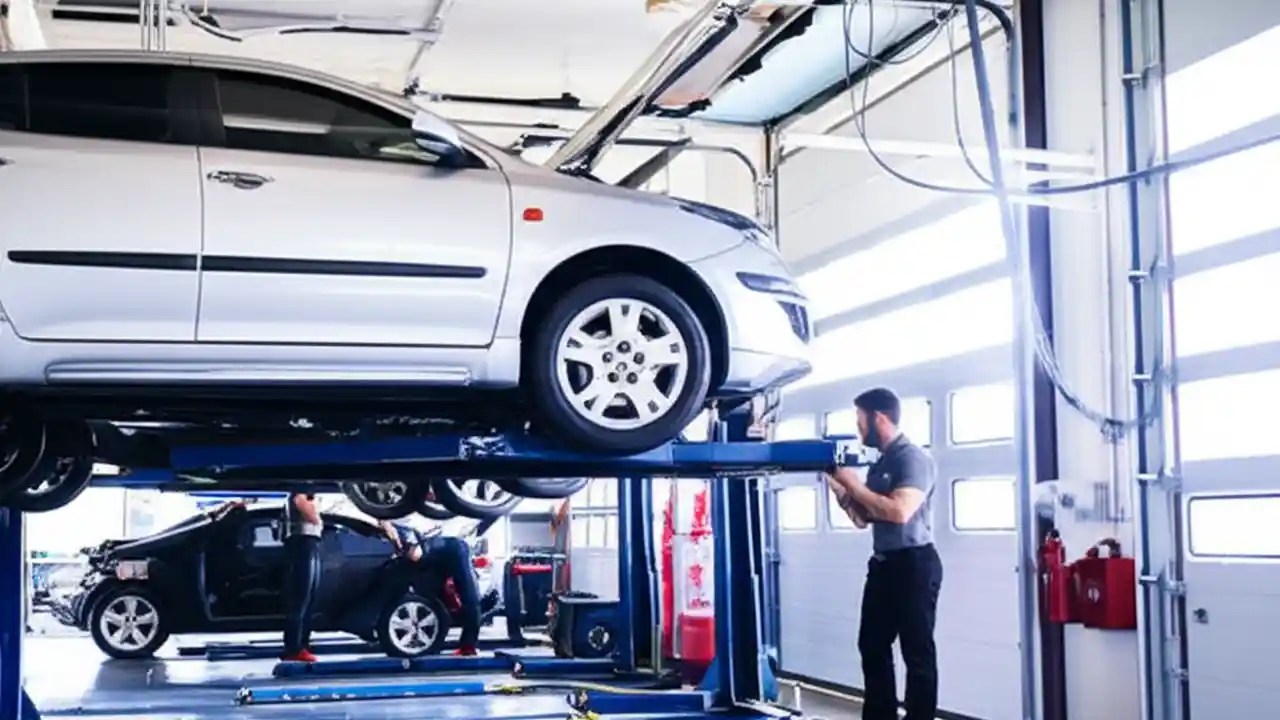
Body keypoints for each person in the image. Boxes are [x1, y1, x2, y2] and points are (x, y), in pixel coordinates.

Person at [825, 387, 942, 720]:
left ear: (879, 418)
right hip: (884, 566)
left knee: (916, 653)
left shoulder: (912, 459)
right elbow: (863, 518)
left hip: (915, 565)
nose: (859, 428)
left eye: (860, 420)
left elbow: (899, 511)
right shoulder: (882, 465)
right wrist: (841, 490)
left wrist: (854, 484)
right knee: (872, 645)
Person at [377, 519, 482, 656]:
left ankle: (469, 645)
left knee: (469, 597)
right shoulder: (391, 532)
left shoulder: (402, 532)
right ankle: (435, 639)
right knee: (431, 598)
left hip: (455, 550)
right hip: (433, 557)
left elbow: (416, 555)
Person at [280, 491, 323, 663]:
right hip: (302, 540)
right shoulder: (302, 486)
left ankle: (301, 645)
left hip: (308, 539)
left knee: (307, 596)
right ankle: (294, 647)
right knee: (301, 596)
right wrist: (316, 519)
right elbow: (299, 499)